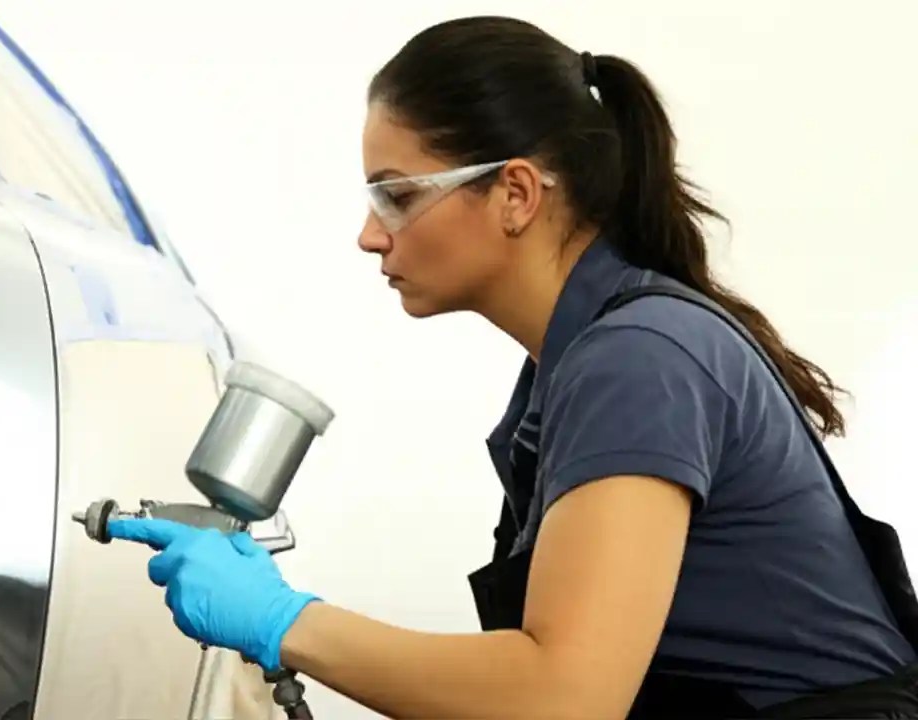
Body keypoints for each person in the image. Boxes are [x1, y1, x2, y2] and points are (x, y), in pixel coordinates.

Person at [107, 16, 918, 719]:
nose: (369, 234)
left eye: (395, 196)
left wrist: (288, 621)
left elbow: (562, 696)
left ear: (517, 195)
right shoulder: (577, 365)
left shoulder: (638, 362)